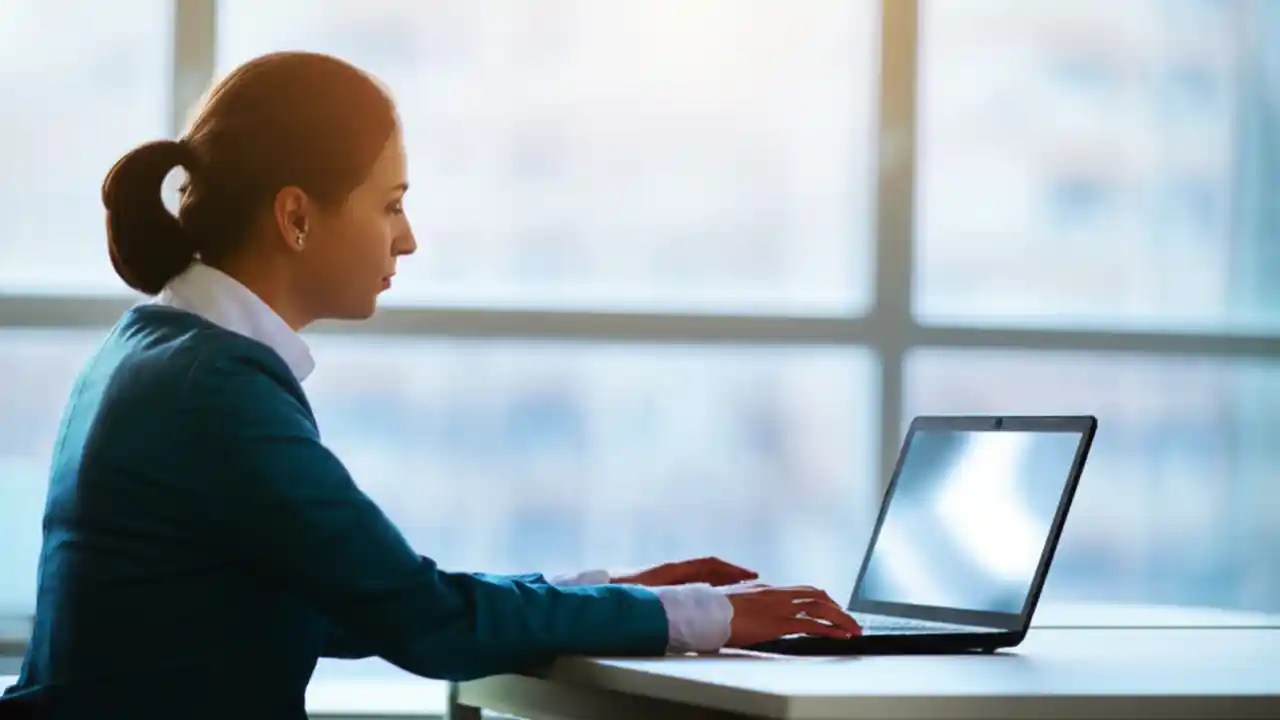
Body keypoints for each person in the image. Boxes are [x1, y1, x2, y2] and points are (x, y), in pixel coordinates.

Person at [0, 51, 859, 719]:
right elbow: (423, 618)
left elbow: (343, 597)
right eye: (390, 204)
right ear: (296, 216)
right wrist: (710, 616)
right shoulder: (210, 386)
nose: (407, 240)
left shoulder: (152, 349)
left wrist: (615, 595)